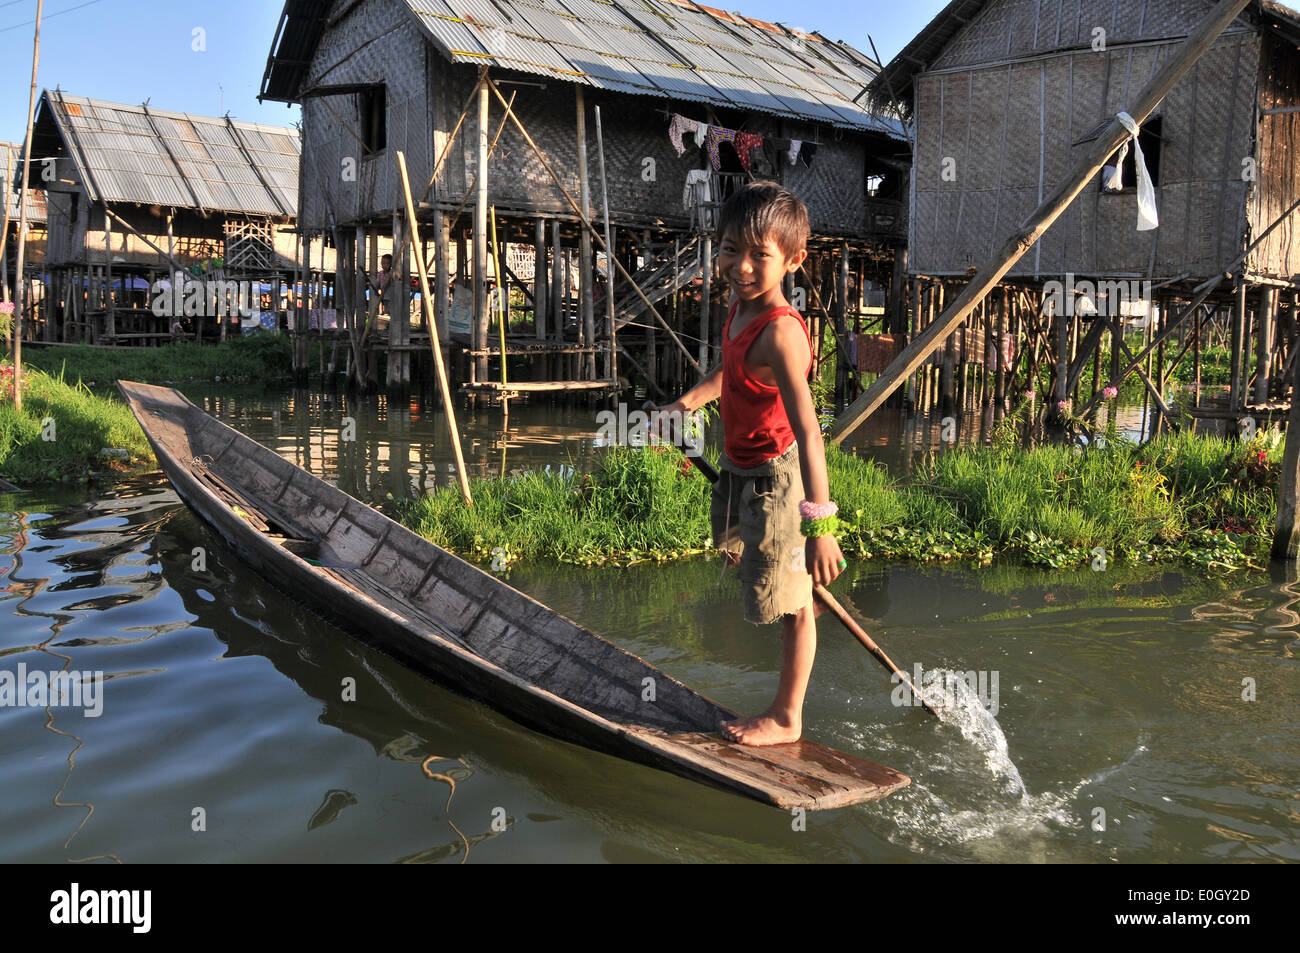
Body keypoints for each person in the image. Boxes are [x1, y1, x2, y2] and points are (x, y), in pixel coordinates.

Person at [656, 181, 845, 746]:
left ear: (792, 261)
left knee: (793, 605)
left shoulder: (783, 332)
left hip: (777, 480)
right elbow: (731, 375)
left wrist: (821, 526)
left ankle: (788, 718)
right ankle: (794, 586)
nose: (740, 266)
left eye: (759, 255)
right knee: (748, 565)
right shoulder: (739, 312)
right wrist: (686, 403)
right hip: (738, 469)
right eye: (730, 249)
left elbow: (810, 432)